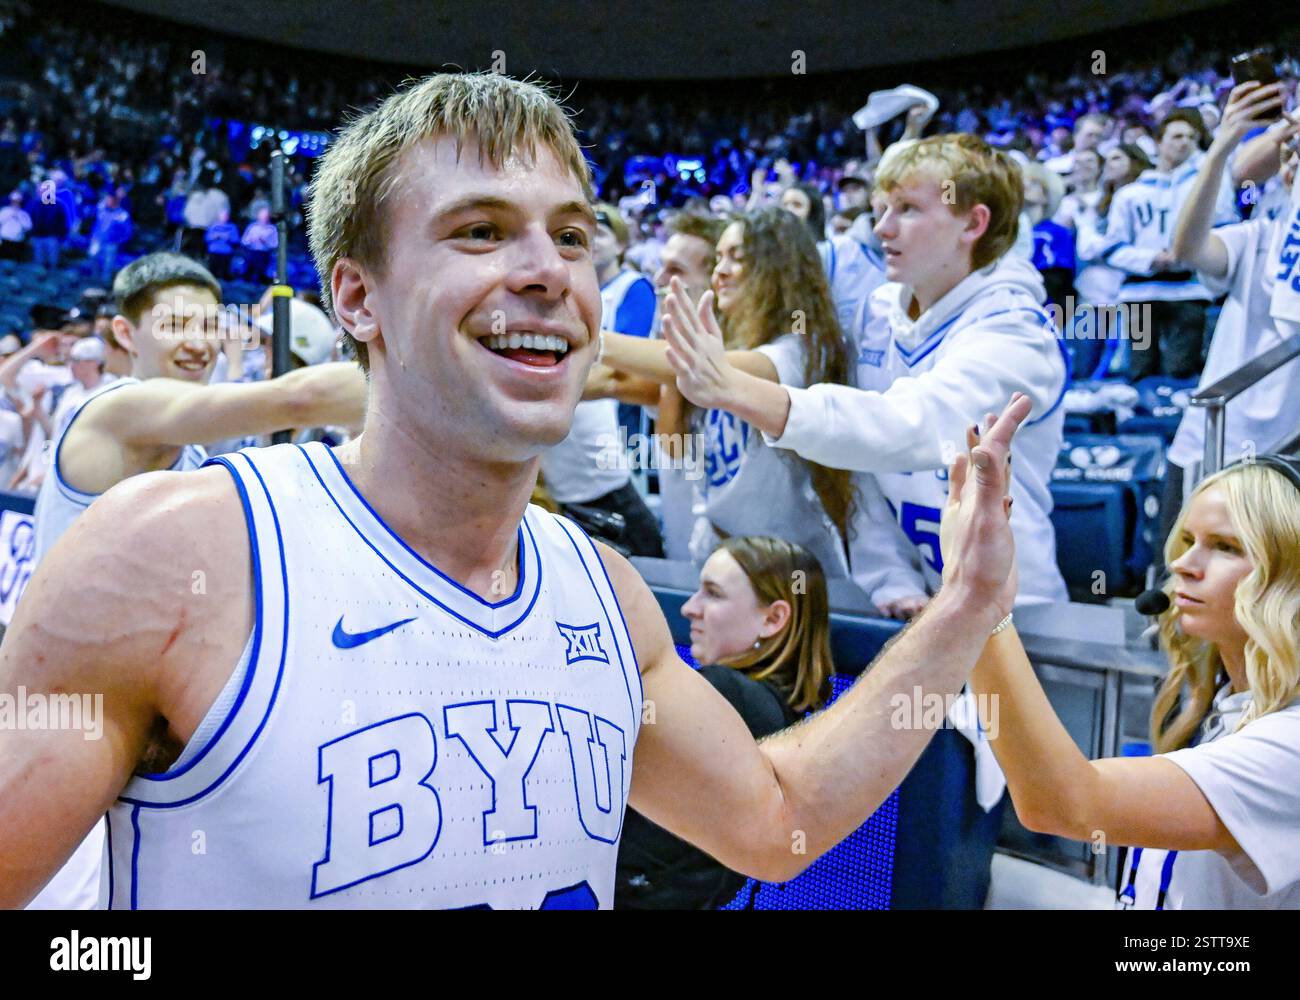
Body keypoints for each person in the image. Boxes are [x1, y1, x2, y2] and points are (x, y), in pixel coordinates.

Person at [0, 72, 1027, 910]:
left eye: (572, 236)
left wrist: (961, 616)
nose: (547, 271)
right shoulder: (169, 556)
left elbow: (773, 824)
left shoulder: (608, 597)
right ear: (356, 295)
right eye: (482, 231)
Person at [18, 253, 366, 909]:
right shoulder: (111, 410)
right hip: (69, 729)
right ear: (126, 335)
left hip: (149, 740)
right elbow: (297, 396)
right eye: (176, 323)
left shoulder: (198, 453)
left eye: (210, 325)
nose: (199, 341)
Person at [661, 133, 1069, 617]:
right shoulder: (878, 313)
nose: (882, 228)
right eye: (881, 209)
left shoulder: (1017, 331)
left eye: (908, 209)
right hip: (912, 604)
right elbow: (865, 474)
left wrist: (741, 390)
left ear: (972, 222)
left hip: (1015, 610)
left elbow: (909, 427)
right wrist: (888, 577)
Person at [963, 444, 1300, 908]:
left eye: (1225, 547)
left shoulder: (1290, 746)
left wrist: (982, 604)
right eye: (1187, 542)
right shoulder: (1229, 706)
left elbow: (1061, 803)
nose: (1183, 565)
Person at [599, 205, 857, 580]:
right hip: (725, 555)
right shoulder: (730, 342)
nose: (721, 271)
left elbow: (694, 366)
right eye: (719, 257)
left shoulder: (799, 351)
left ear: (777, 270)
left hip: (789, 572)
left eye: (737, 259)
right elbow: (663, 422)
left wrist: (587, 335)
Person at [616, 536, 833, 909]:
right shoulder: (782, 711)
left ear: (773, 619)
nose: (688, 608)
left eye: (712, 595)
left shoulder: (726, 694)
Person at [1165, 80, 1300, 542]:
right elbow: (1187, 246)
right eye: (1292, 158)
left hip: (1285, 465)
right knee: (1183, 591)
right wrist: (1223, 144)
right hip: (1211, 447)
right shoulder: (1259, 235)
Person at [539, 202, 663, 557]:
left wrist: (542, 384)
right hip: (566, 456)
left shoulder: (633, 287)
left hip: (618, 436)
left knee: (641, 549)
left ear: (623, 244)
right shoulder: (567, 289)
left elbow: (618, 372)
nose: (594, 242)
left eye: (602, 233)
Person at [1103, 109, 1225, 382]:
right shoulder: (1129, 194)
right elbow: (1112, 248)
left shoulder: (1204, 187)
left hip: (1189, 290)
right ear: (1159, 142)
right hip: (1139, 293)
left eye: (1191, 137)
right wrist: (1150, 259)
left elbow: (1224, 227)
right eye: (1177, 136)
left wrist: (1189, 254)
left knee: (1183, 371)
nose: (1184, 142)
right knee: (1140, 370)